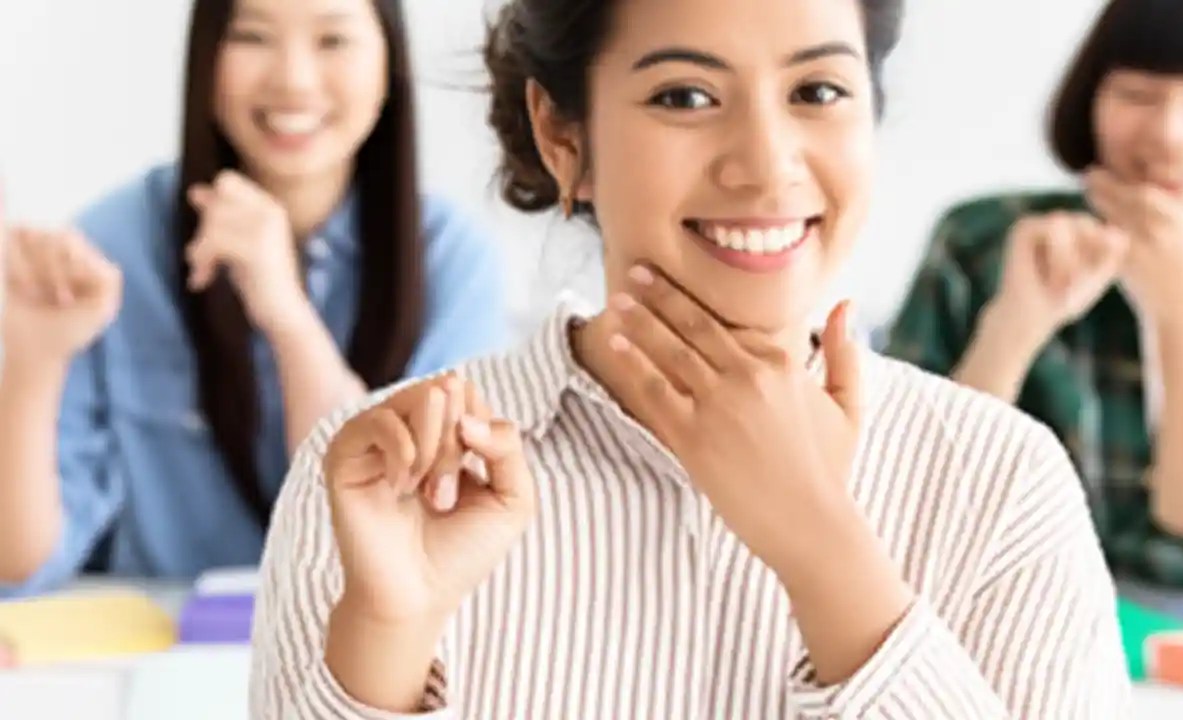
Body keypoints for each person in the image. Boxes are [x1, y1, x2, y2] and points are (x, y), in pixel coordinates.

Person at [250, 0, 1131, 717]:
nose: (765, 164)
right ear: (564, 138)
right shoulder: (387, 480)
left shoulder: (1002, 483)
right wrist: (388, 636)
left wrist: (823, 550)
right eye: (685, 96)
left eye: (818, 91)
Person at [0, 0, 507, 595]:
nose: (292, 79)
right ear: (207, 56)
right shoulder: (112, 250)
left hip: (364, 663)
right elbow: (19, 563)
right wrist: (34, 359)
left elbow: (411, 535)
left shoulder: (452, 260)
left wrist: (285, 313)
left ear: (387, 64)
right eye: (252, 36)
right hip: (160, 662)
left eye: (333, 40)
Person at [886, 0, 1183, 591]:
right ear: (1090, 97)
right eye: (1138, 95)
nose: (1169, 134)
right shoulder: (981, 240)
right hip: (985, 623)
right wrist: (1013, 328)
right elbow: (900, 509)